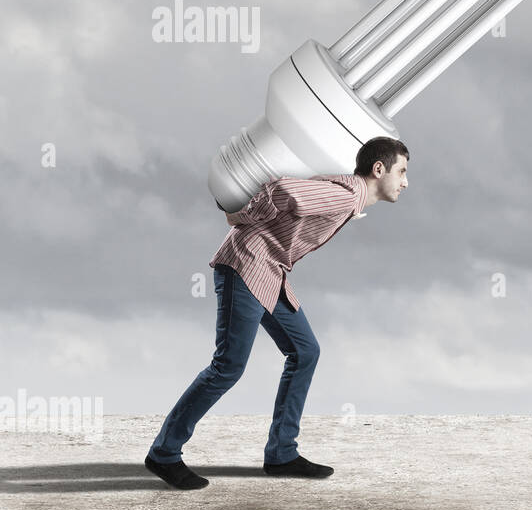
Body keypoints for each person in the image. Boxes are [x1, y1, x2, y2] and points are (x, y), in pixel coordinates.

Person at [144, 137, 410, 489]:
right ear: (379, 169)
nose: (405, 182)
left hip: (270, 272)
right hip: (247, 266)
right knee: (228, 366)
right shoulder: (345, 195)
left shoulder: (351, 199)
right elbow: (284, 190)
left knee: (305, 352)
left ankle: (282, 453)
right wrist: (241, 216)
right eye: (402, 171)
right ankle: (164, 453)